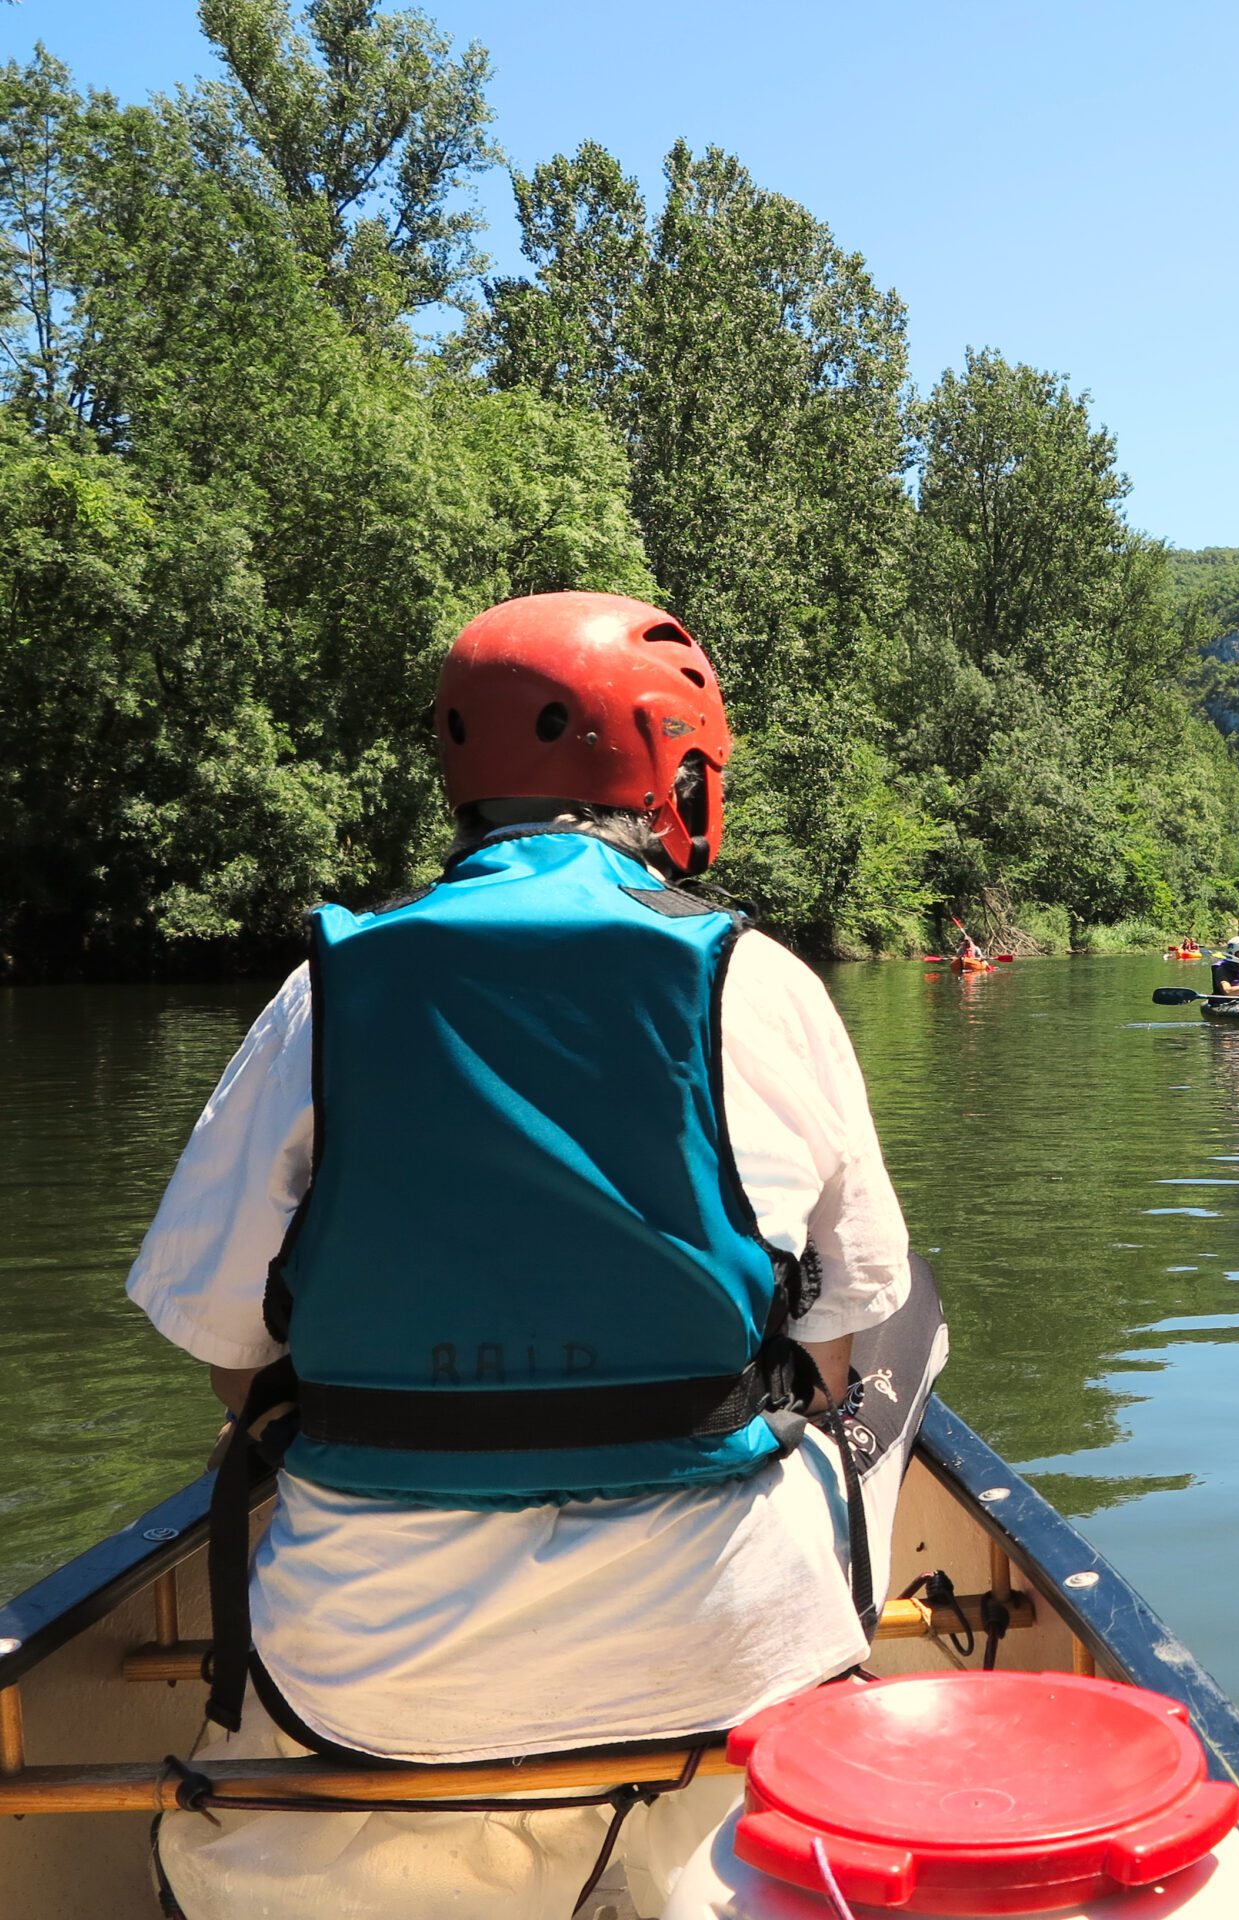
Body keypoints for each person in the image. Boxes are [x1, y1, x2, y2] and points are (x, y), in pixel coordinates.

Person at [126, 592, 935, 1920]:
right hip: (723, 1657)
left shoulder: (325, 993)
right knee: (899, 1333)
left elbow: (225, 1352)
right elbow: (838, 1340)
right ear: (679, 772)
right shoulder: (759, 981)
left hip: (371, 1678)